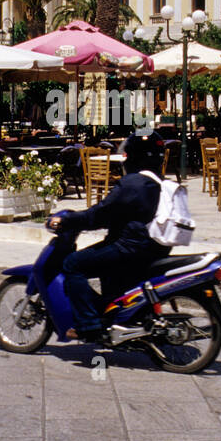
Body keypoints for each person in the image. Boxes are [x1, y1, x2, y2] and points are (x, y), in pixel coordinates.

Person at [48, 132, 166, 343]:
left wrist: (68, 221)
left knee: (72, 264)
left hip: (128, 247)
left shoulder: (133, 183)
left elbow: (99, 214)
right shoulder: (157, 183)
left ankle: (88, 325)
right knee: (105, 267)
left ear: (135, 157)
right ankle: (111, 317)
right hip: (148, 247)